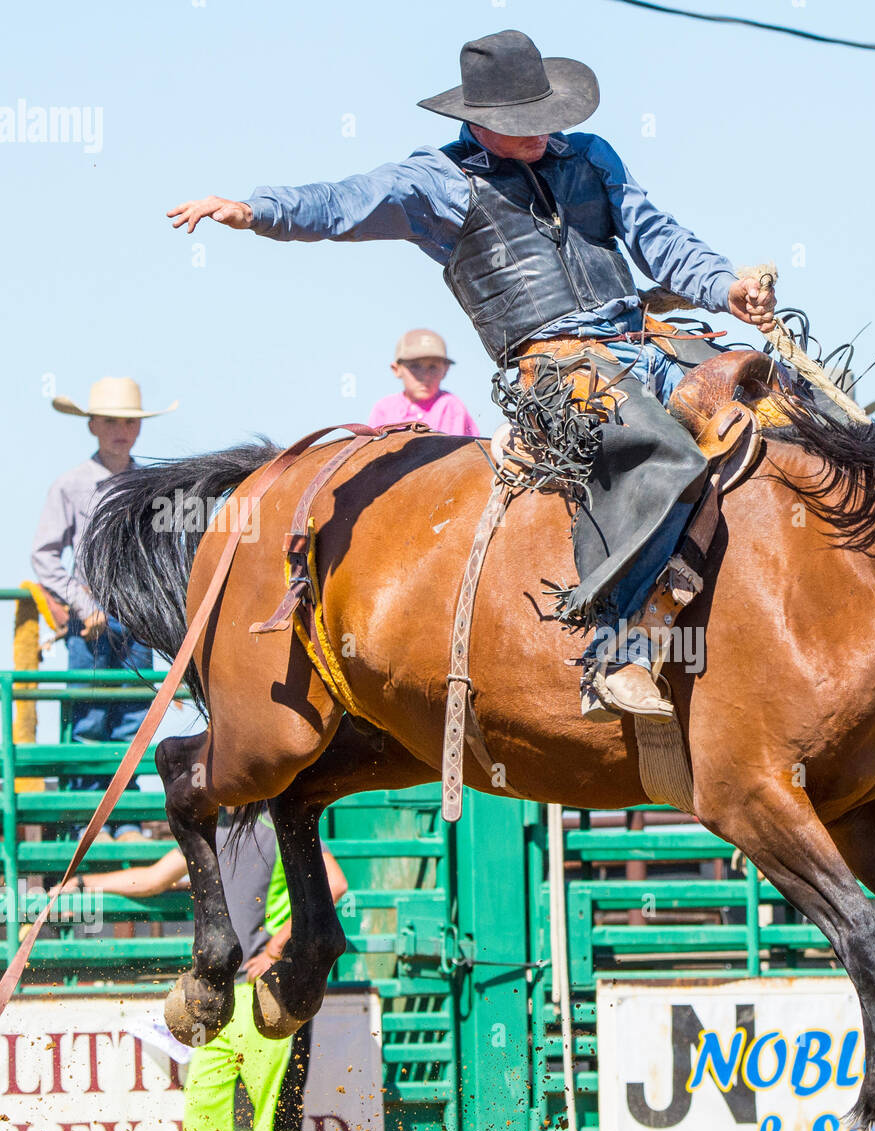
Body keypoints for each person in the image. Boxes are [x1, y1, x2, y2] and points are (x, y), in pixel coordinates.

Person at [165, 29, 776, 723]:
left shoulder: (594, 157)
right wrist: (259, 211)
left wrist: (724, 285)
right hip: (556, 370)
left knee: (776, 399)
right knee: (657, 454)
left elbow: (657, 236)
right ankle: (617, 649)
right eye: (522, 126)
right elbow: (348, 201)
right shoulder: (441, 182)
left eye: (545, 118)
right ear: (478, 122)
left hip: (646, 340)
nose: (540, 134)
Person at [77, 810, 348, 1131]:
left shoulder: (282, 825)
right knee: (204, 1111)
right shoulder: (211, 832)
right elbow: (154, 878)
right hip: (222, 1000)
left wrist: (279, 947)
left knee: (279, 1113)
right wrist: (78, 888)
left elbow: (336, 884)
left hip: (274, 994)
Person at [32, 378, 172, 830]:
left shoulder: (152, 484)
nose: (120, 429)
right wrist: (81, 603)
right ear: (92, 425)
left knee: (131, 724)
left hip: (137, 621)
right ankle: (89, 826)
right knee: (91, 725)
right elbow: (44, 554)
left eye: (129, 421)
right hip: (92, 626)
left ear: (139, 429)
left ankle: (123, 822)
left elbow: (160, 552)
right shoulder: (71, 485)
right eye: (111, 420)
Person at [368, 328, 478, 435]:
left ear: (445, 370)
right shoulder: (384, 408)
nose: (425, 376)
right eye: (414, 366)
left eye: (433, 367)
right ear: (396, 369)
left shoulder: (451, 406)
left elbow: (463, 451)